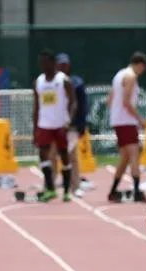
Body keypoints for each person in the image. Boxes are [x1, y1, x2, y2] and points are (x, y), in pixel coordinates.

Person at [31, 49, 76, 202]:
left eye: (45, 62)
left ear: (52, 63)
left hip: (60, 124)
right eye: (40, 63)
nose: (43, 65)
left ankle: (66, 190)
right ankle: (50, 188)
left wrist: (68, 119)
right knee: (43, 155)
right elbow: (36, 106)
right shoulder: (39, 82)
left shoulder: (63, 80)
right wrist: (35, 129)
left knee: (64, 156)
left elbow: (73, 102)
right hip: (44, 124)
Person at [108, 51, 146, 203]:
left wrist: (114, 114)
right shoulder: (131, 76)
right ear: (141, 65)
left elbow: (109, 99)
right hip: (126, 121)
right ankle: (137, 191)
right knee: (134, 154)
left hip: (119, 120)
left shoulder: (119, 75)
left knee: (125, 158)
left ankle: (112, 191)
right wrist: (139, 119)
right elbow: (126, 102)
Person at [57, 52, 91, 197]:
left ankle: (75, 186)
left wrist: (81, 125)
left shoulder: (76, 82)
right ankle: (50, 186)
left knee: (71, 155)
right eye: (60, 64)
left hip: (71, 126)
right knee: (52, 156)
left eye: (65, 64)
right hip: (55, 125)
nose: (63, 67)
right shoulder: (52, 83)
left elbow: (82, 105)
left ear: (69, 65)